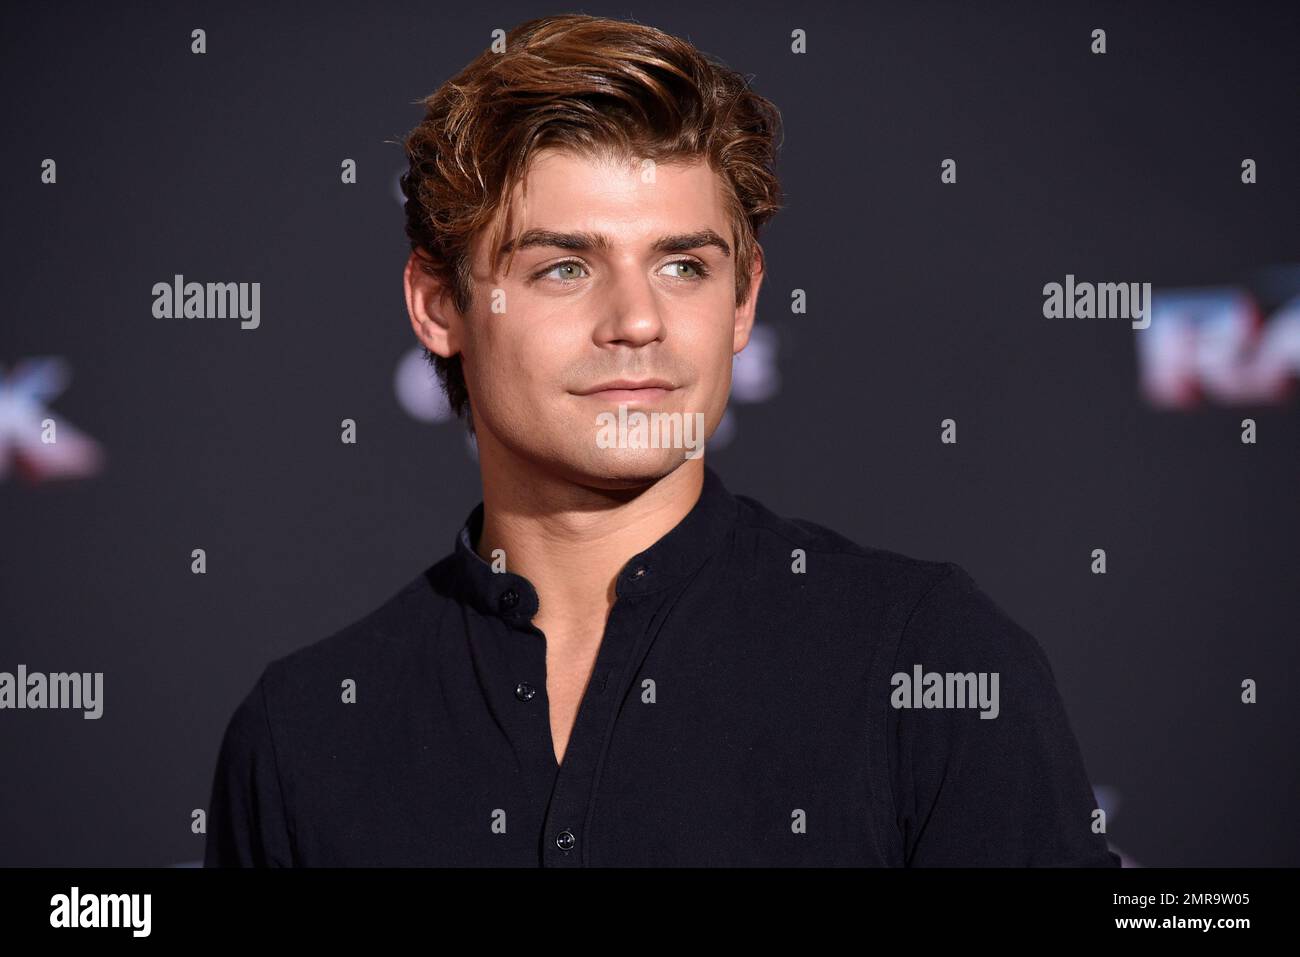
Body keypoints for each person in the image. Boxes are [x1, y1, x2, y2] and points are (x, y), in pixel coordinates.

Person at [204, 13, 1118, 867]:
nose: (638, 320)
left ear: (745, 300)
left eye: (683, 265)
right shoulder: (303, 733)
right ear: (440, 304)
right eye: (565, 266)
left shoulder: (928, 659)